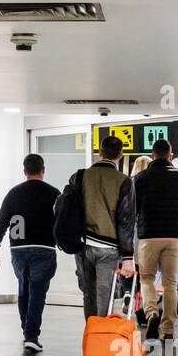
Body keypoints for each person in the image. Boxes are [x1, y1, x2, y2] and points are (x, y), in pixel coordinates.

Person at [53, 135, 135, 320]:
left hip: (82, 245)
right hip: (109, 249)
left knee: (88, 295)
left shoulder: (79, 176)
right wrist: (128, 256)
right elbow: (126, 220)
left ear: (100, 152)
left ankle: (90, 335)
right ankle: (100, 339)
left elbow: (64, 205)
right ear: (121, 155)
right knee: (104, 297)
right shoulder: (124, 181)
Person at [132, 139, 178, 341]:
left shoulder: (140, 178)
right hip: (174, 237)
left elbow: (132, 210)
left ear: (152, 156)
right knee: (170, 283)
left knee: (146, 279)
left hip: (148, 236)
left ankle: (151, 313)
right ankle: (168, 330)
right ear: (170, 157)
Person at [0, 154, 61, 352]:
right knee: (37, 291)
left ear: (24, 171)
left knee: (24, 288)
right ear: (43, 169)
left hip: (18, 249)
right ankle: (31, 335)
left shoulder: (14, 193)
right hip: (44, 249)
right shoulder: (54, 194)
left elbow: (1, 221)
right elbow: (63, 221)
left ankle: (26, 331)